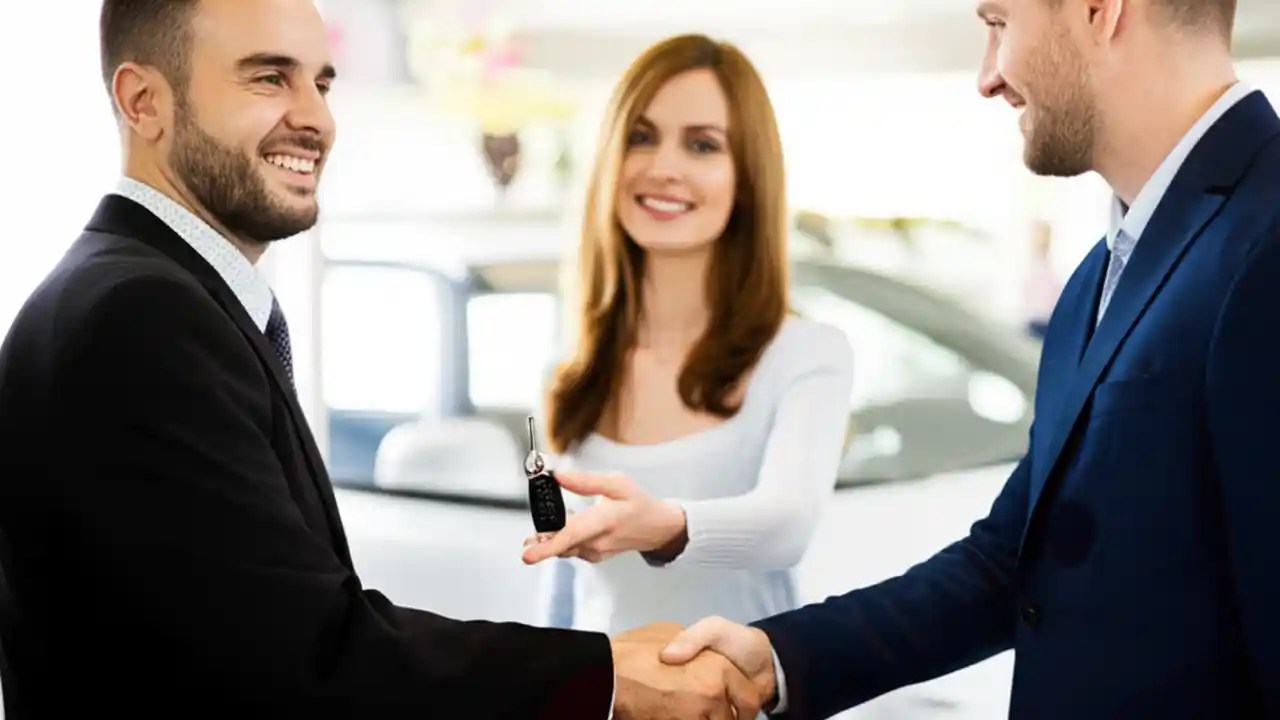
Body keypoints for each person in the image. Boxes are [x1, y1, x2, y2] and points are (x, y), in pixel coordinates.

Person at [0, 2, 760, 718]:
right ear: (143, 102)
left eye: (321, 81)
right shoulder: (141, 318)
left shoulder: (138, 295)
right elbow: (304, 658)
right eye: (270, 77)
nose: (317, 118)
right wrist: (607, 679)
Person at [659, 0, 1280, 718]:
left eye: (997, 24)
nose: (988, 79)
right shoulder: (1097, 280)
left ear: (1099, 10)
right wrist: (776, 659)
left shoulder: (1265, 243)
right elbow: (1011, 562)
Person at [519, 34, 854, 647]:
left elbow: (787, 525)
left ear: (748, 177)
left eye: (702, 145)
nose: (663, 167)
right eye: (641, 137)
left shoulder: (807, 355)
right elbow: (562, 590)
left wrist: (660, 526)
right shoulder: (570, 376)